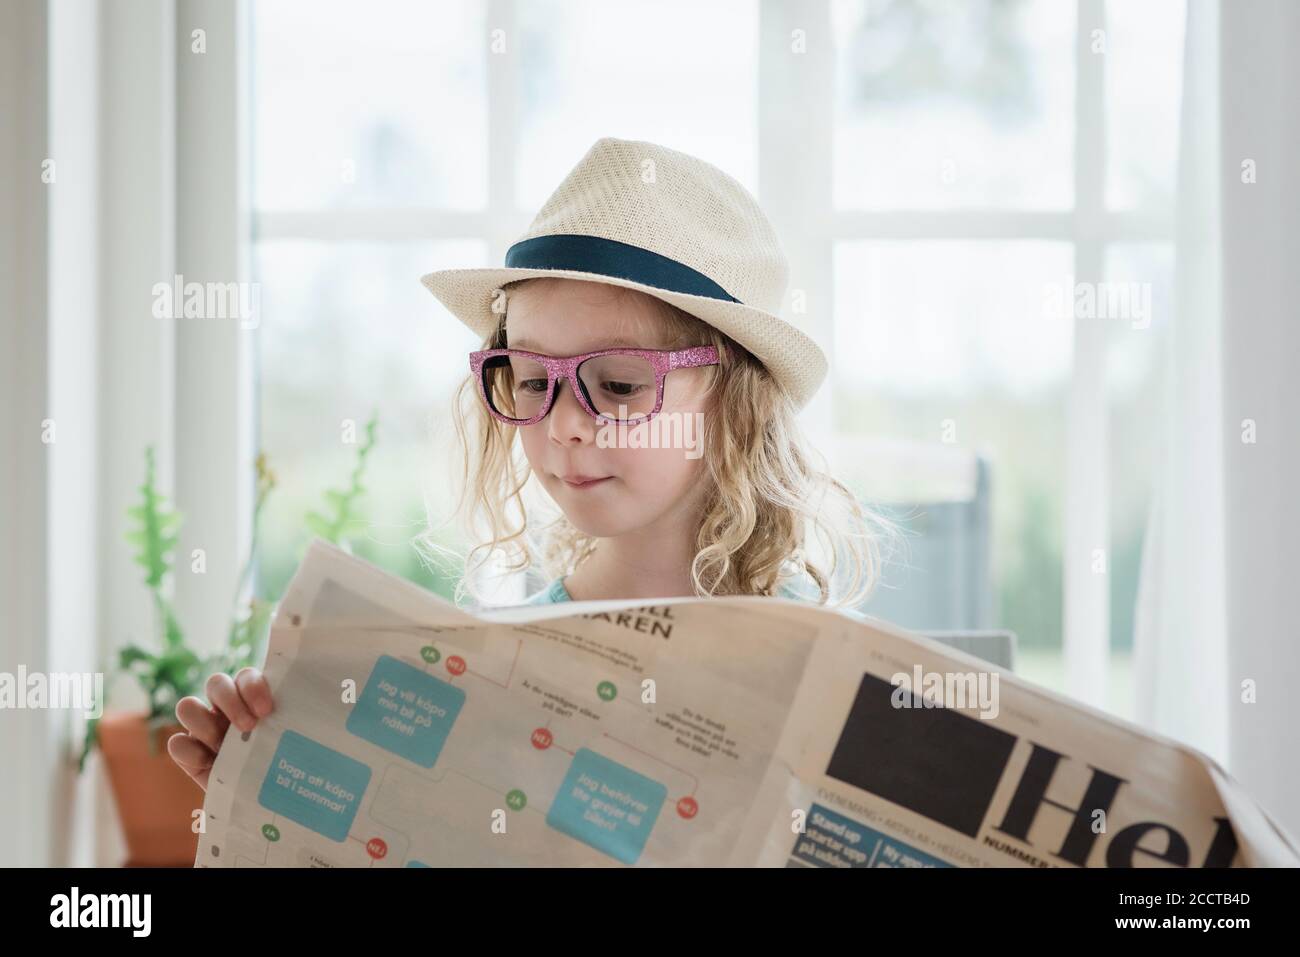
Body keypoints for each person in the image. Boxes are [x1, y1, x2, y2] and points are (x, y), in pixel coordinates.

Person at [168, 136, 897, 791]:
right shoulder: (483, 673)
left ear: (735, 401)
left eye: (617, 383)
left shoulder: (839, 664)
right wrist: (267, 791)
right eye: (533, 380)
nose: (565, 425)